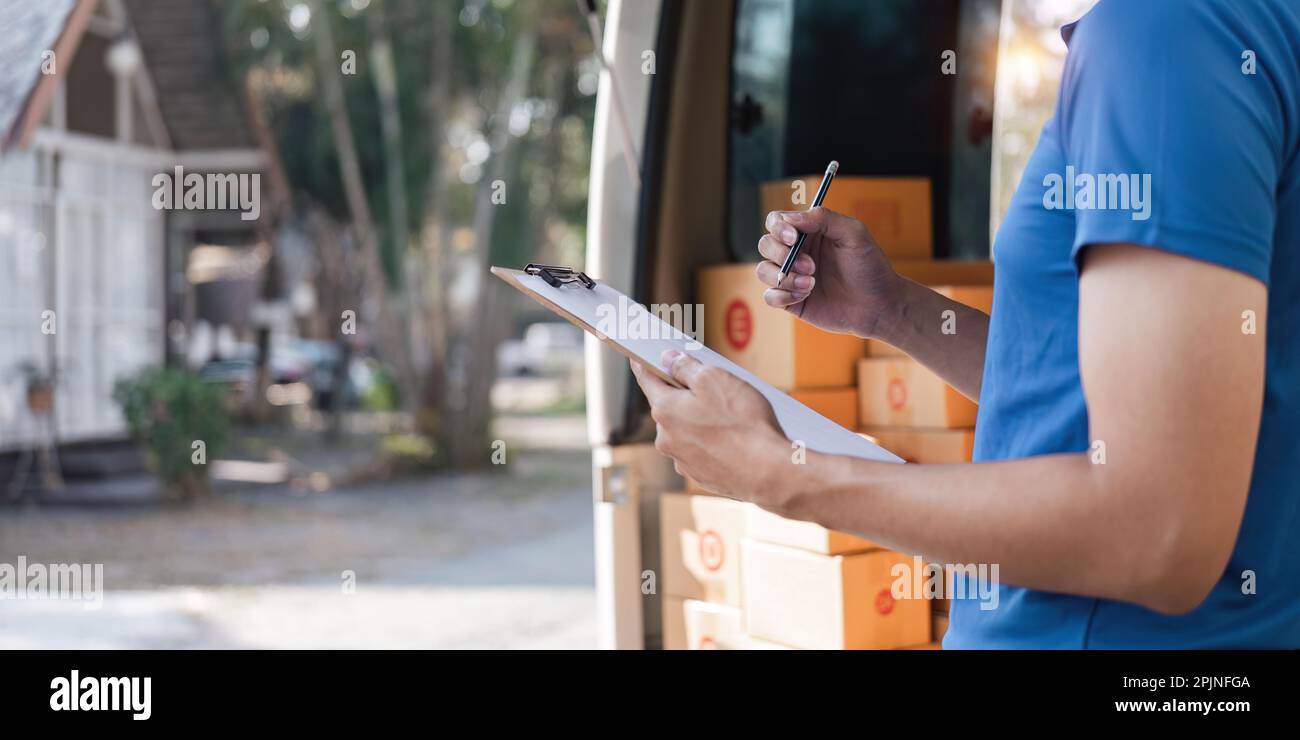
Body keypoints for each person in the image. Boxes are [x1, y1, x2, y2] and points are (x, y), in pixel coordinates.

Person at [629, 0, 1300, 648]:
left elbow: (1156, 530)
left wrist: (779, 475)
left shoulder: (1167, 32)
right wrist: (893, 309)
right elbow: (1098, 397)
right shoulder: (1240, 27)